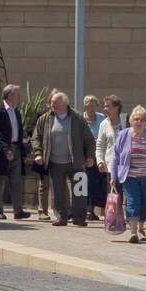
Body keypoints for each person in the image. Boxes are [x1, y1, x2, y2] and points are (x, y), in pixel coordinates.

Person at [31, 91, 96, 227]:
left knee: (80, 191)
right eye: (51, 102)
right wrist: (38, 153)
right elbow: (36, 137)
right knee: (58, 192)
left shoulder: (77, 118)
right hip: (55, 162)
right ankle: (61, 217)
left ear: (65, 104)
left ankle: (79, 218)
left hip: (76, 162)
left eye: (55, 102)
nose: (51, 105)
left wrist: (90, 156)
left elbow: (89, 139)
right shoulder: (45, 119)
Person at [110, 105, 146, 243]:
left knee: (144, 203)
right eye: (136, 119)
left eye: (142, 119)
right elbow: (115, 157)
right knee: (132, 202)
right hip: (129, 177)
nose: (139, 122)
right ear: (131, 121)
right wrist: (113, 175)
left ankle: (141, 229)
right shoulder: (123, 135)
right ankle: (133, 232)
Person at [0, 84, 31, 220]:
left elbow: (19, 132)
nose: (19, 96)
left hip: (16, 149)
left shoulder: (16, 111)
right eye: (17, 94)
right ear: (10, 95)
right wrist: (6, 149)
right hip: (2, 151)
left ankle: (18, 211)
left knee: (17, 182)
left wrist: (22, 153)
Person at [96, 95, 125, 219]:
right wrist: (100, 161)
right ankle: (114, 218)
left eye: (108, 106)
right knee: (113, 194)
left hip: (127, 165)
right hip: (111, 166)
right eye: (104, 106)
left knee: (128, 194)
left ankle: (130, 218)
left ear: (116, 107)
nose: (105, 109)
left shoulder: (127, 121)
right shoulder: (104, 124)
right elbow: (100, 145)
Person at [82, 95, 106, 220]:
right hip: (85, 154)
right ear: (85, 105)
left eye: (93, 105)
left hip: (99, 154)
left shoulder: (101, 118)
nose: (91, 107)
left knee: (97, 183)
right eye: (88, 105)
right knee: (86, 182)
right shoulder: (81, 118)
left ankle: (92, 210)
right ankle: (84, 209)